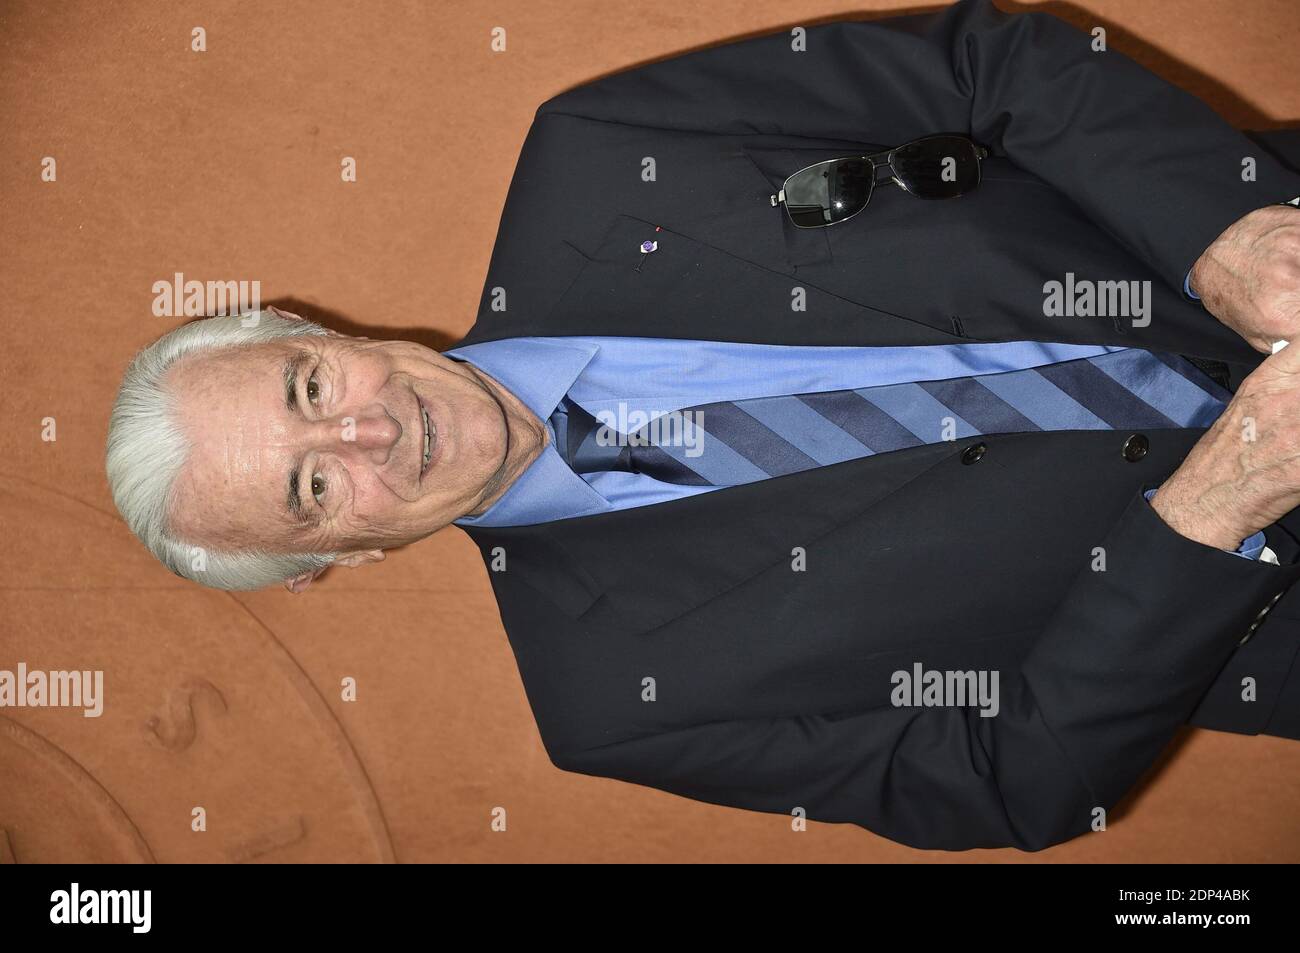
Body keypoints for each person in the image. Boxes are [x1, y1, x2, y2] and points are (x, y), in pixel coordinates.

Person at [107, 0, 1300, 849]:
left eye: (308, 389)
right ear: (334, 563)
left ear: (320, 331)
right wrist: (1210, 514)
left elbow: (991, 66)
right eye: (311, 491)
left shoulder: (600, 151)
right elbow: (1009, 782)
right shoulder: (619, 706)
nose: (366, 436)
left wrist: (1227, 239)